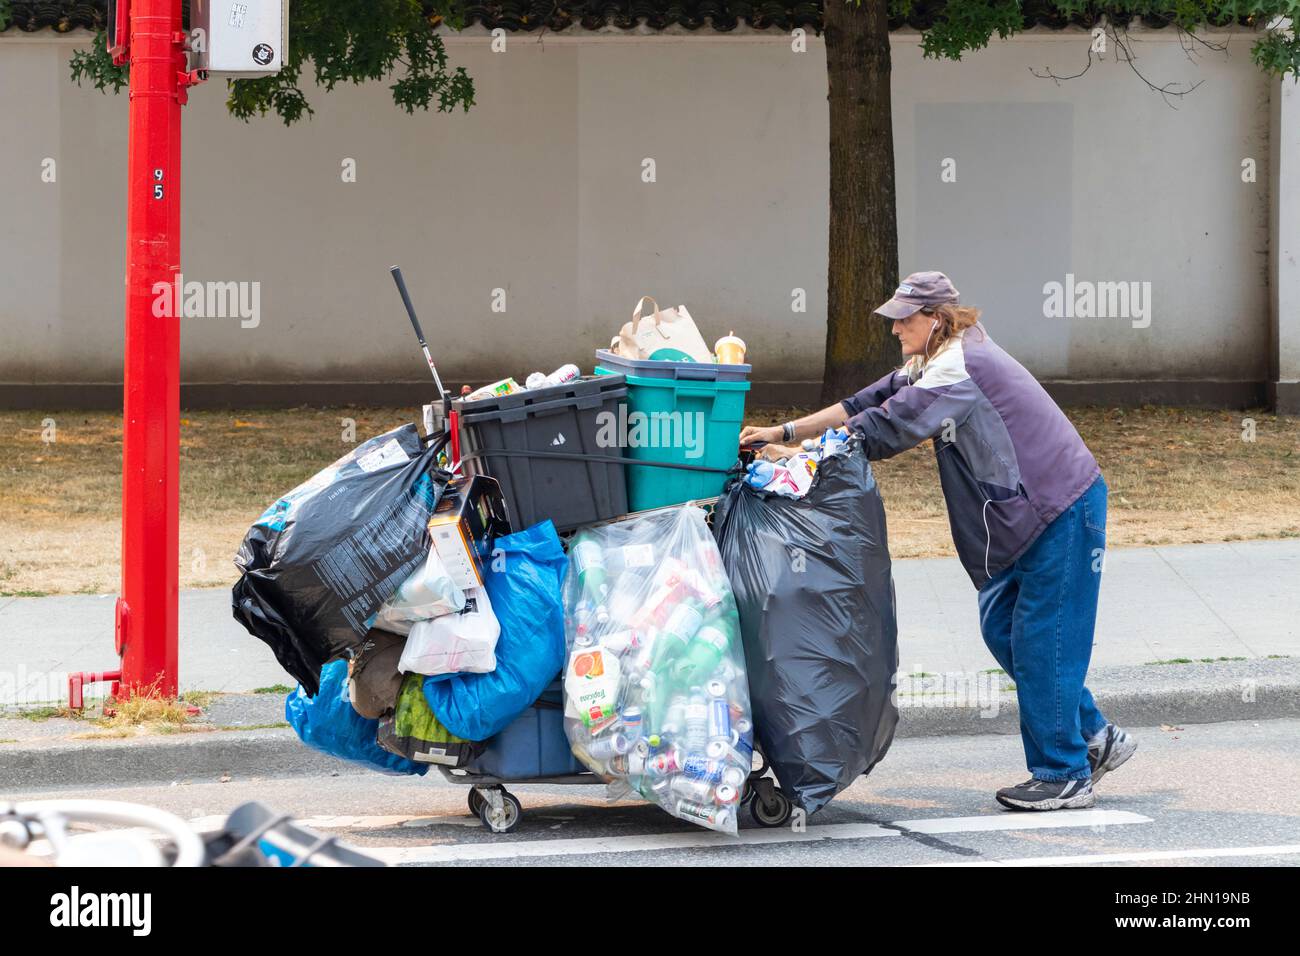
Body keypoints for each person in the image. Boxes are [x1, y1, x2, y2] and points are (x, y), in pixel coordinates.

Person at [739, 271, 1137, 810]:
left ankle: (1062, 773)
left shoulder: (959, 367)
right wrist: (786, 434)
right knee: (1005, 630)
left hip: (1059, 509)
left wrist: (805, 458)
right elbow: (869, 400)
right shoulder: (934, 359)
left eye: (906, 318)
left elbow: (888, 425)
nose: (896, 328)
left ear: (937, 319)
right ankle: (1095, 737)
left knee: (1044, 643)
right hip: (1026, 519)